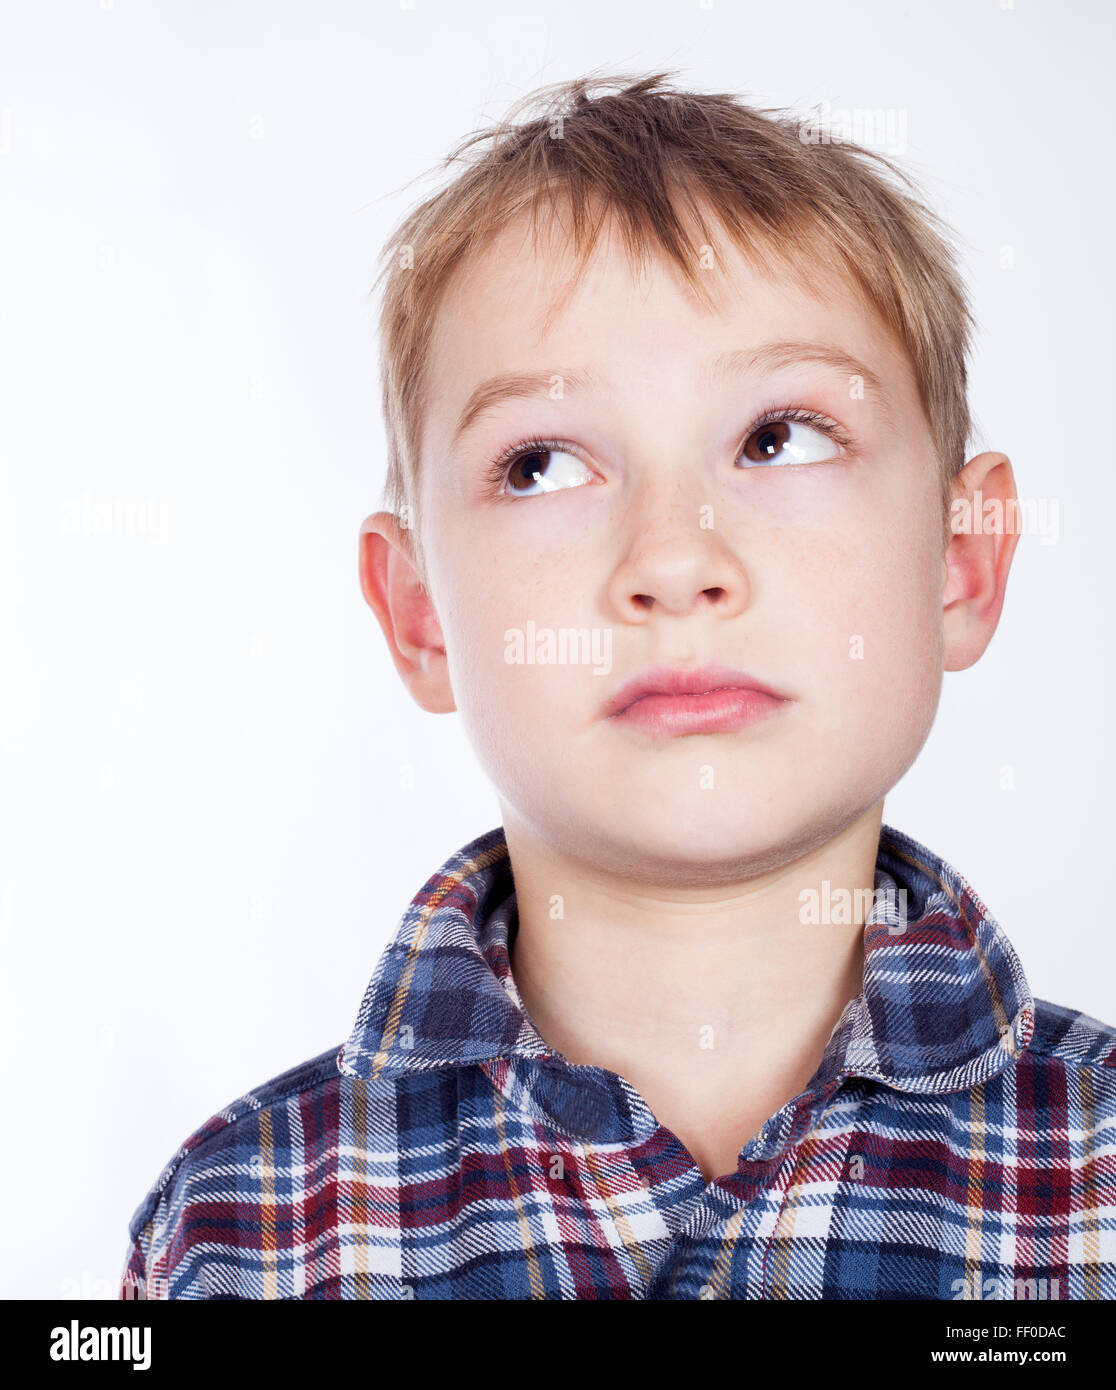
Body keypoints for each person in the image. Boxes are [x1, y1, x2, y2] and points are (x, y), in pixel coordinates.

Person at [119, 70, 1116, 1300]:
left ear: (961, 559)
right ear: (419, 610)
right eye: (542, 464)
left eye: (782, 435)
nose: (675, 558)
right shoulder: (240, 1229)